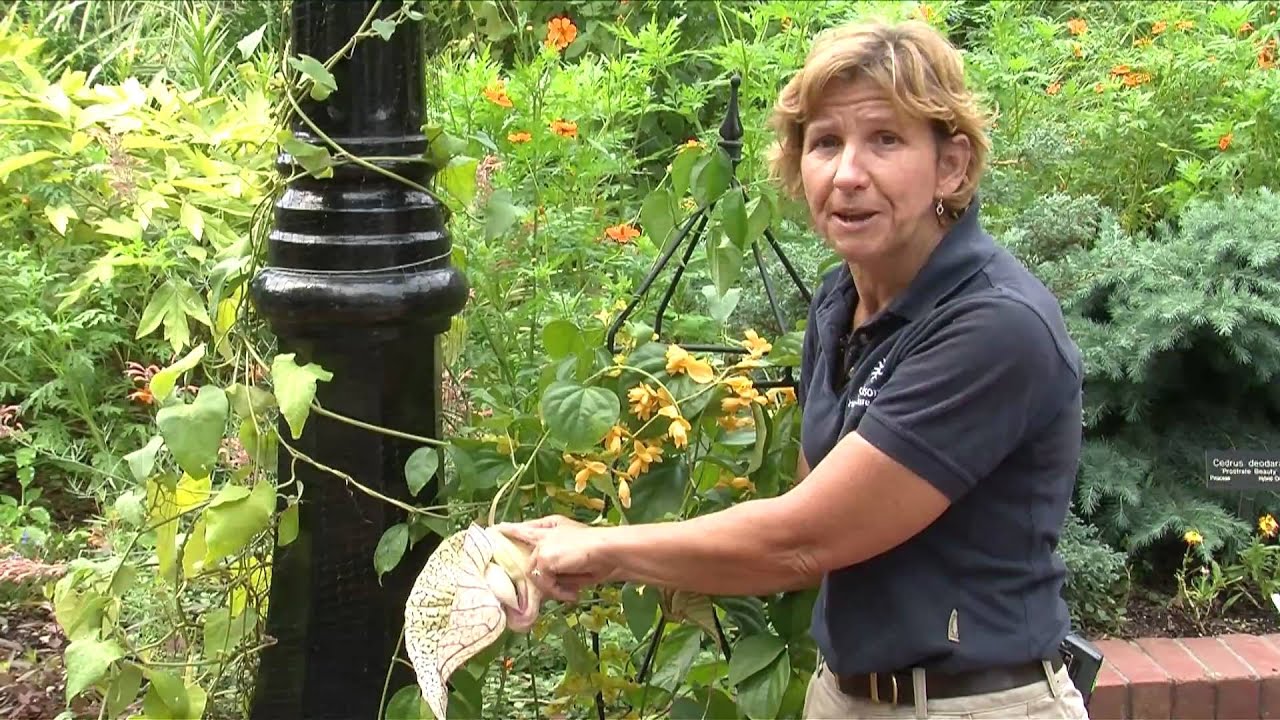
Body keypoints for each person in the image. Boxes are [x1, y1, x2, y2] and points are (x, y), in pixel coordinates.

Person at [498, 16, 1090, 720]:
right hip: (842, 695)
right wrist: (565, 555)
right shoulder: (842, 303)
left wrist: (606, 550)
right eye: (826, 142)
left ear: (951, 165)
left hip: (977, 705)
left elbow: (805, 540)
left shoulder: (994, 326)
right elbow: (808, 518)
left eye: (886, 139)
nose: (848, 174)